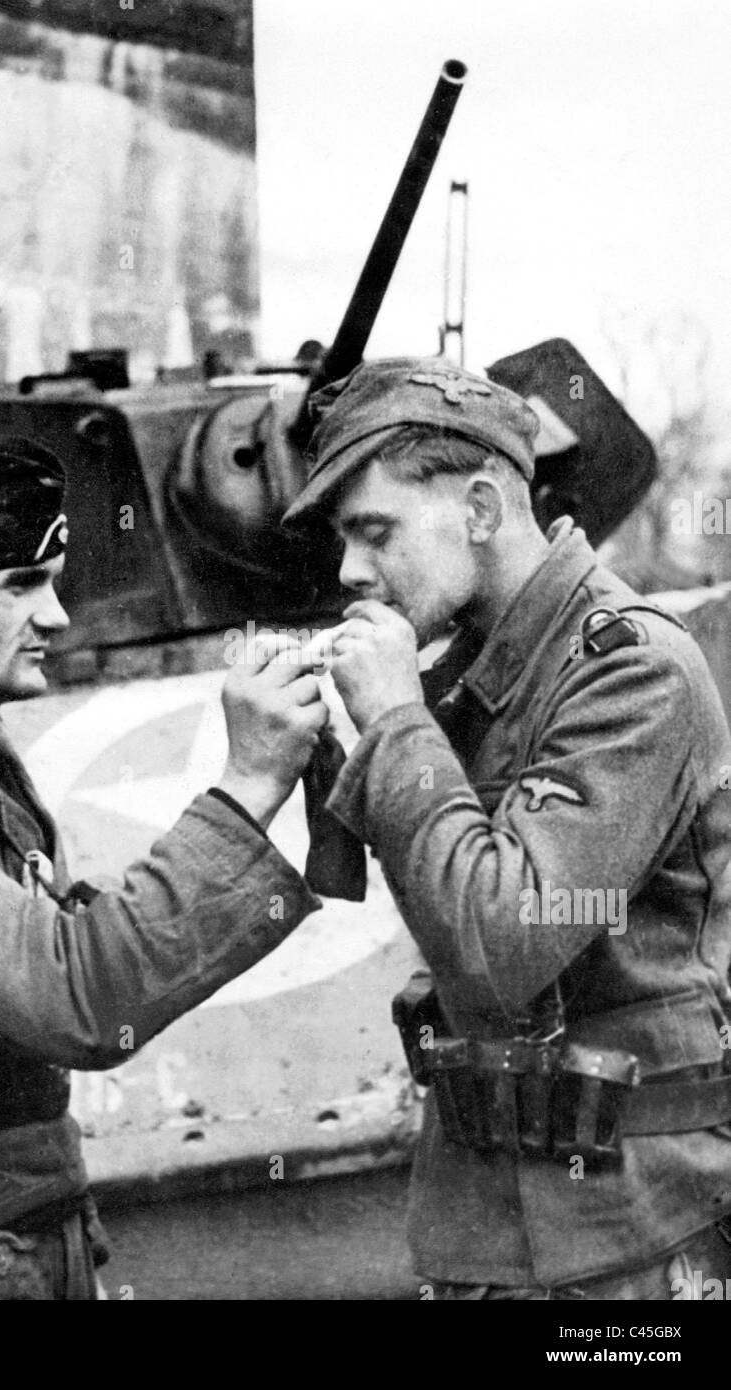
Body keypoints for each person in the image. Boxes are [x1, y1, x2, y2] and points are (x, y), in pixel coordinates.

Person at [0, 435, 328, 1300]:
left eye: (52, 583)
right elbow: (73, 999)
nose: (57, 617)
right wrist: (247, 784)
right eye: (21, 586)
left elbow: (62, 950)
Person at [282, 356, 731, 1300]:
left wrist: (399, 724)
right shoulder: (475, 670)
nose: (350, 571)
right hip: (485, 1228)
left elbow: (499, 947)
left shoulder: (631, 669)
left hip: (631, 1228)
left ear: (481, 511)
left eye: (374, 532)